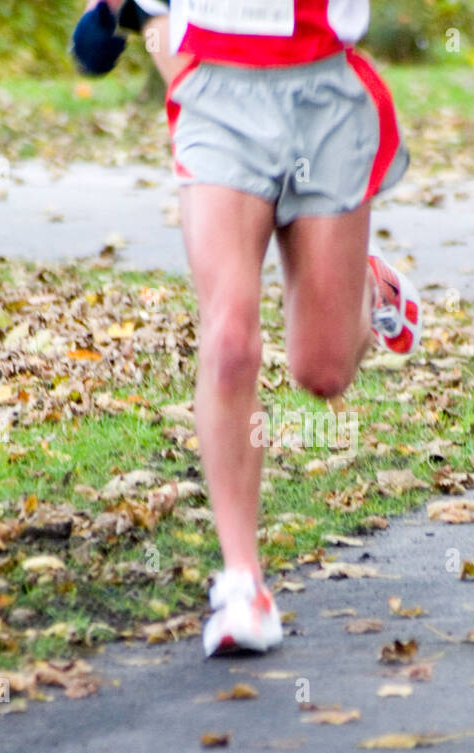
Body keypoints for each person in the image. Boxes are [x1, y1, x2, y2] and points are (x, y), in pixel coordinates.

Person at [73, 1, 422, 656]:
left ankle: (365, 289)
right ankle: (242, 583)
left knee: (322, 373)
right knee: (230, 339)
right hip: (219, 99)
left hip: (326, 94)